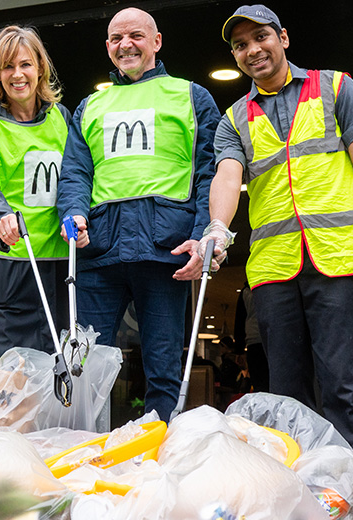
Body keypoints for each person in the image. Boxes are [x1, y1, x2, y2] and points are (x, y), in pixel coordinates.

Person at [204, 5, 353, 451]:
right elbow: (228, 177)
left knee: (342, 383)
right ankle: (299, 489)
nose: (252, 50)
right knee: (286, 391)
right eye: (240, 45)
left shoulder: (335, 87)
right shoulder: (233, 119)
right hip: (274, 268)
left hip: (335, 259)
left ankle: (345, 489)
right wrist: (217, 226)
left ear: (284, 38)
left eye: (261, 38)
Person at [56, 7, 219, 420]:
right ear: (108, 47)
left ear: (156, 41)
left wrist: (202, 234)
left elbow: (209, 173)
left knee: (164, 370)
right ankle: (83, 454)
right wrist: (73, 211)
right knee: (82, 368)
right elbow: (76, 171)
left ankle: (160, 453)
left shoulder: (191, 96)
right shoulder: (91, 104)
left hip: (167, 251)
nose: (125, 44)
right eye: (116, 38)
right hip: (100, 252)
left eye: (135, 36)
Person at [0, 26, 73, 381]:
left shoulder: (63, 118)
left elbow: (77, 177)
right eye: (7, 67)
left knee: (51, 364)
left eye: (25, 64)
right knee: (1, 372)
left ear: (40, 68)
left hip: (54, 260)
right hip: (5, 263)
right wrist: (0, 216)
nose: (17, 74)